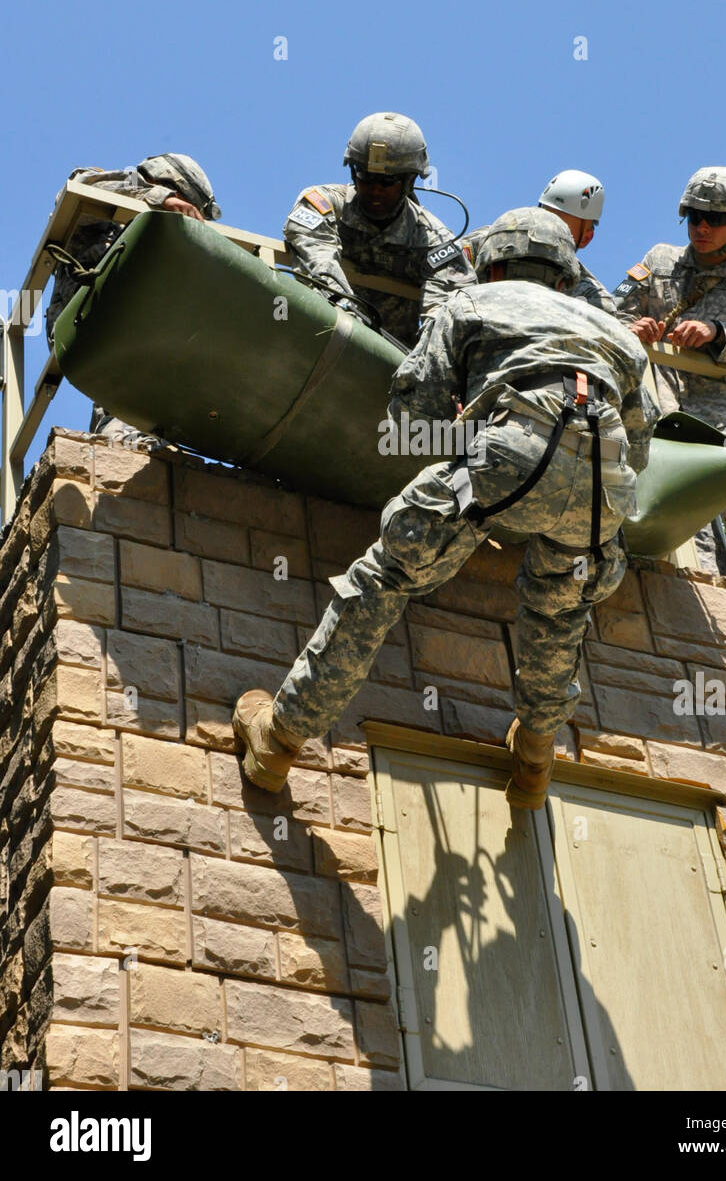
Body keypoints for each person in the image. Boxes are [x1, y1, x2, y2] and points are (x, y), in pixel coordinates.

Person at [232, 207, 658, 810]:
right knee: (558, 613)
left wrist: (470, 436)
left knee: (385, 579)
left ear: (491, 265)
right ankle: (536, 758)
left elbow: (413, 418)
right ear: (566, 277)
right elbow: (640, 454)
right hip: (603, 490)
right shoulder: (618, 336)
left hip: (508, 457)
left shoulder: (471, 304)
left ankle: (279, 740)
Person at [613, 166, 726, 588]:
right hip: (663, 395)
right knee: (676, 478)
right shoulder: (657, 261)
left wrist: (720, 335)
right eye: (695, 216)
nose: (703, 227)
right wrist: (630, 328)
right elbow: (611, 310)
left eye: (715, 219)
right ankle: (697, 573)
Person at [46, 154, 221, 447]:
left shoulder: (157, 233)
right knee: (126, 380)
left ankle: (137, 437)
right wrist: (160, 198)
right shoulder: (113, 186)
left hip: (133, 326)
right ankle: (119, 435)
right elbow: (78, 188)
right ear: (165, 181)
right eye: (184, 201)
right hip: (85, 317)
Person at [282, 111, 475, 348]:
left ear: (409, 181)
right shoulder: (324, 203)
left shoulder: (434, 241)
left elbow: (446, 316)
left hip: (388, 367)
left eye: (387, 182)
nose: (375, 190)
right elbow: (316, 255)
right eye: (365, 176)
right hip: (317, 337)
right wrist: (344, 310)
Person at [462, 170, 615, 314]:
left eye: (561, 225)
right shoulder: (485, 243)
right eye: (546, 214)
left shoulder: (591, 297)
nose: (549, 226)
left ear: (586, 239)